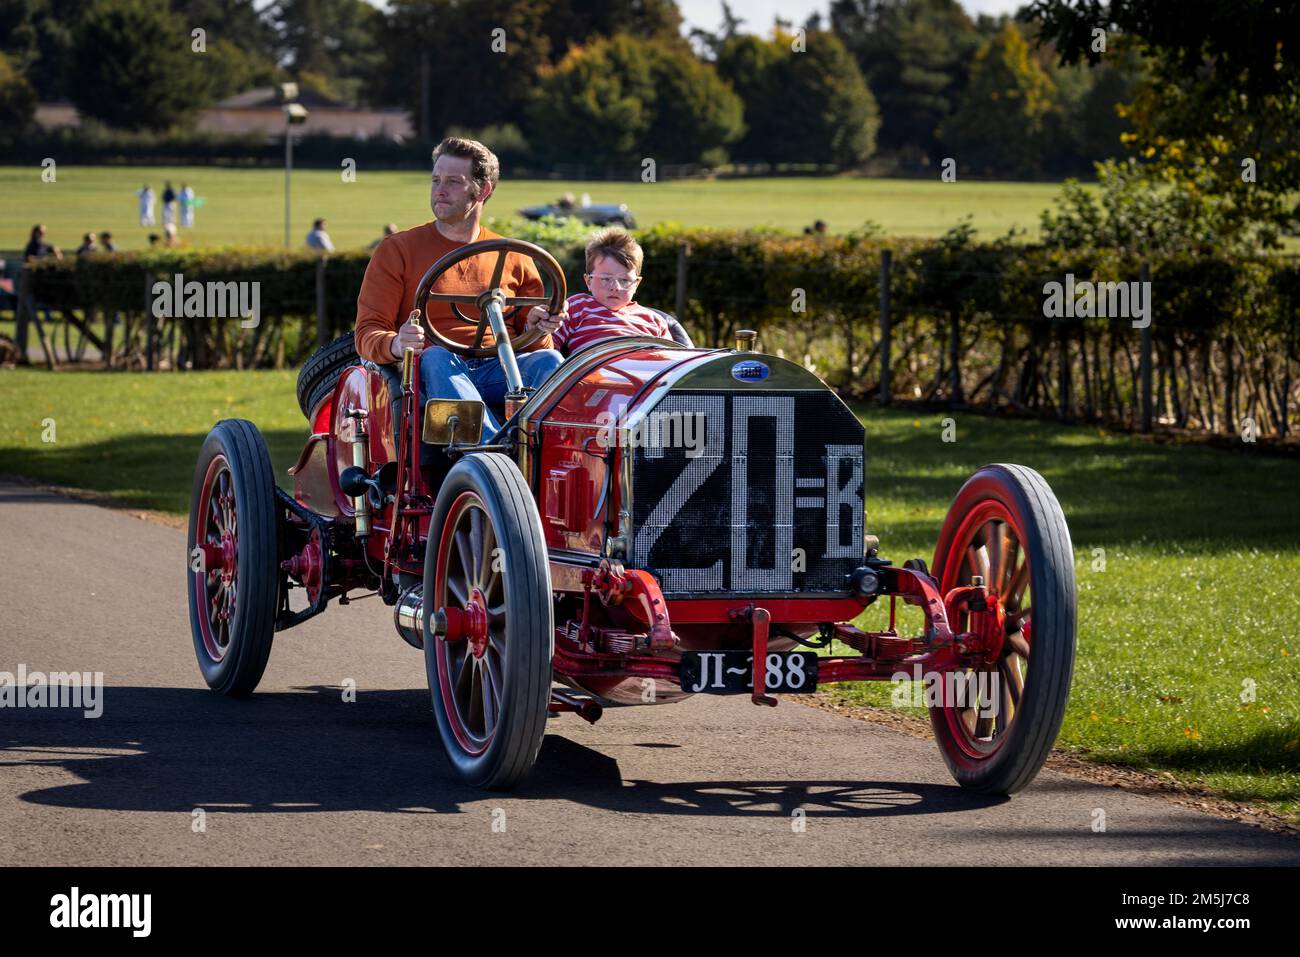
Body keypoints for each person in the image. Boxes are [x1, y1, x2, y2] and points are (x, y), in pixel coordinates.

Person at [354, 136, 565, 449]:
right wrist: (398, 343)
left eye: (453, 181)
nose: (440, 189)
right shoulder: (397, 250)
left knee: (550, 360)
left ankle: (549, 458)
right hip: (429, 375)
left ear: (483, 190)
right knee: (436, 356)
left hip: (499, 369)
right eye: (436, 179)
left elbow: (533, 341)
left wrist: (540, 326)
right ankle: (493, 452)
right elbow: (367, 334)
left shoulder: (513, 255)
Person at [554, 228, 690, 355]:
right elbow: (547, 350)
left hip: (645, 377)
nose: (615, 287)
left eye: (624, 280)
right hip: (594, 376)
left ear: (636, 284)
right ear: (588, 281)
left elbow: (671, 363)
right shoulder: (576, 307)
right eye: (606, 279)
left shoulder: (654, 321)